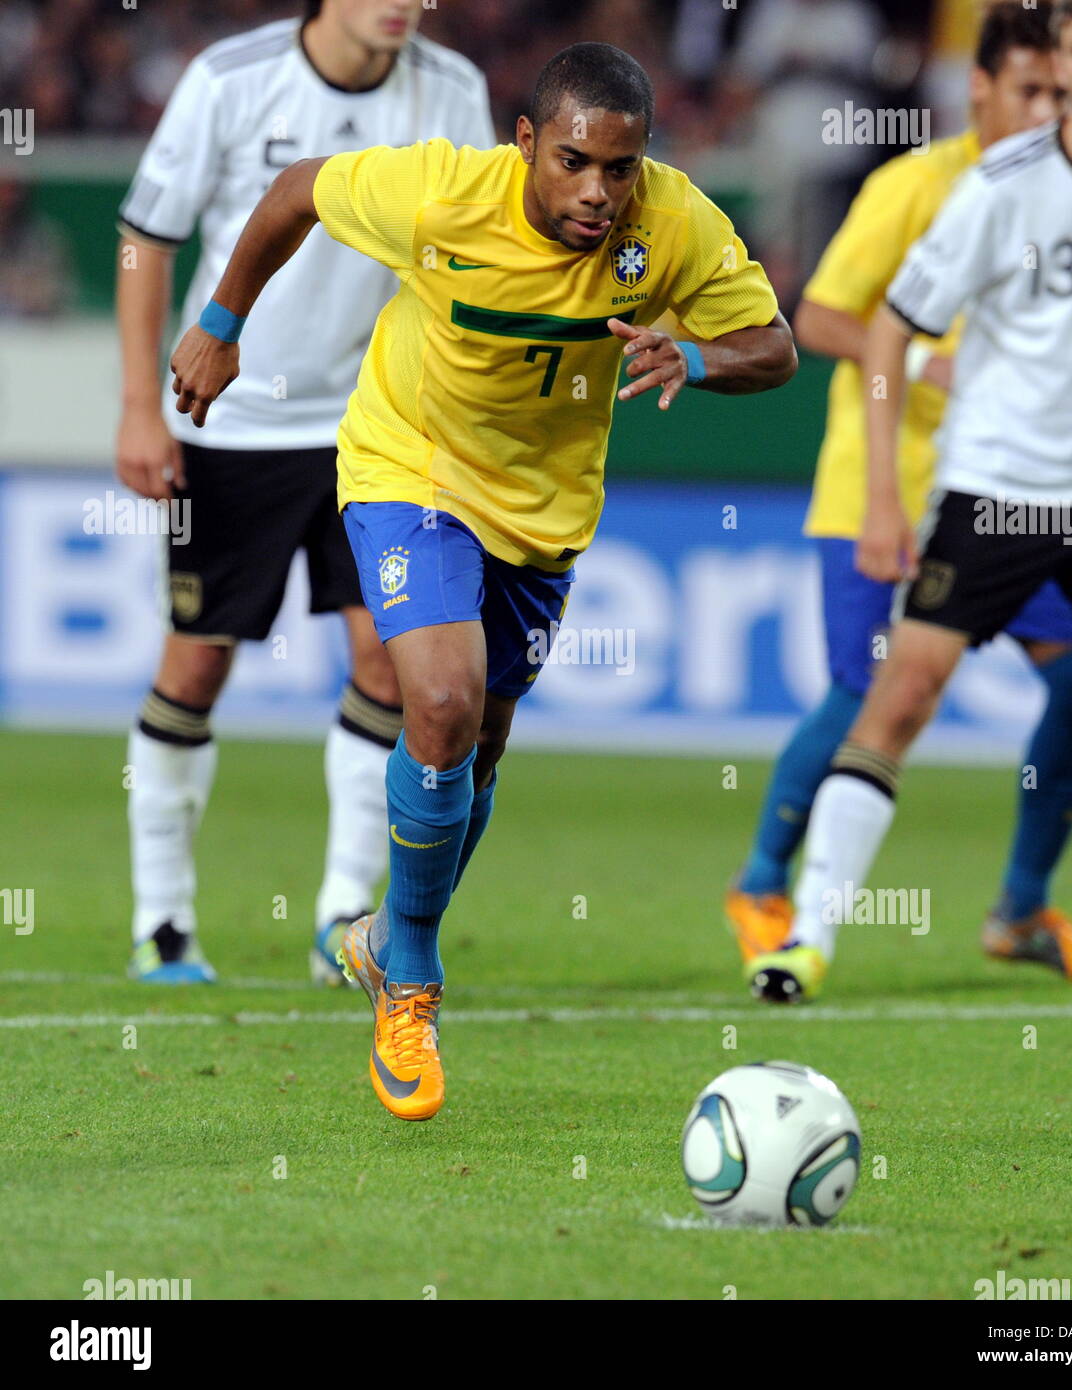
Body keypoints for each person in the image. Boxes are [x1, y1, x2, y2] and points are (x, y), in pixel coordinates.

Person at [169, 42, 797, 1117]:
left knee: (481, 744)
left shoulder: (675, 221)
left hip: (542, 511)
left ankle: (381, 934)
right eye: (573, 163)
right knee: (444, 701)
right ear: (524, 147)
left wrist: (694, 358)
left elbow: (775, 345)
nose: (599, 191)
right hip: (408, 465)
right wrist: (221, 325)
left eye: (621, 168)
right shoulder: (444, 192)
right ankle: (410, 978)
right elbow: (292, 193)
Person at [728, 1, 1072, 999]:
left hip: (1020, 488)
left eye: (1060, 88)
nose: (1049, 106)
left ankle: (1020, 908)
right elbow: (822, 314)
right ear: (980, 88)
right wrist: (924, 369)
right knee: (868, 692)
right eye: (1031, 88)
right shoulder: (922, 184)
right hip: (893, 486)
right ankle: (765, 889)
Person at [115, 0, 494, 985]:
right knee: (197, 665)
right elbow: (144, 239)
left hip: (384, 426)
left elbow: (486, 254)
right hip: (235, 423)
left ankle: (341, 913)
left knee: (386, 655)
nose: (404, 3)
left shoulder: (451, 91)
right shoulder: (229, 80)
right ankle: (163, 922)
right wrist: (136, 408)